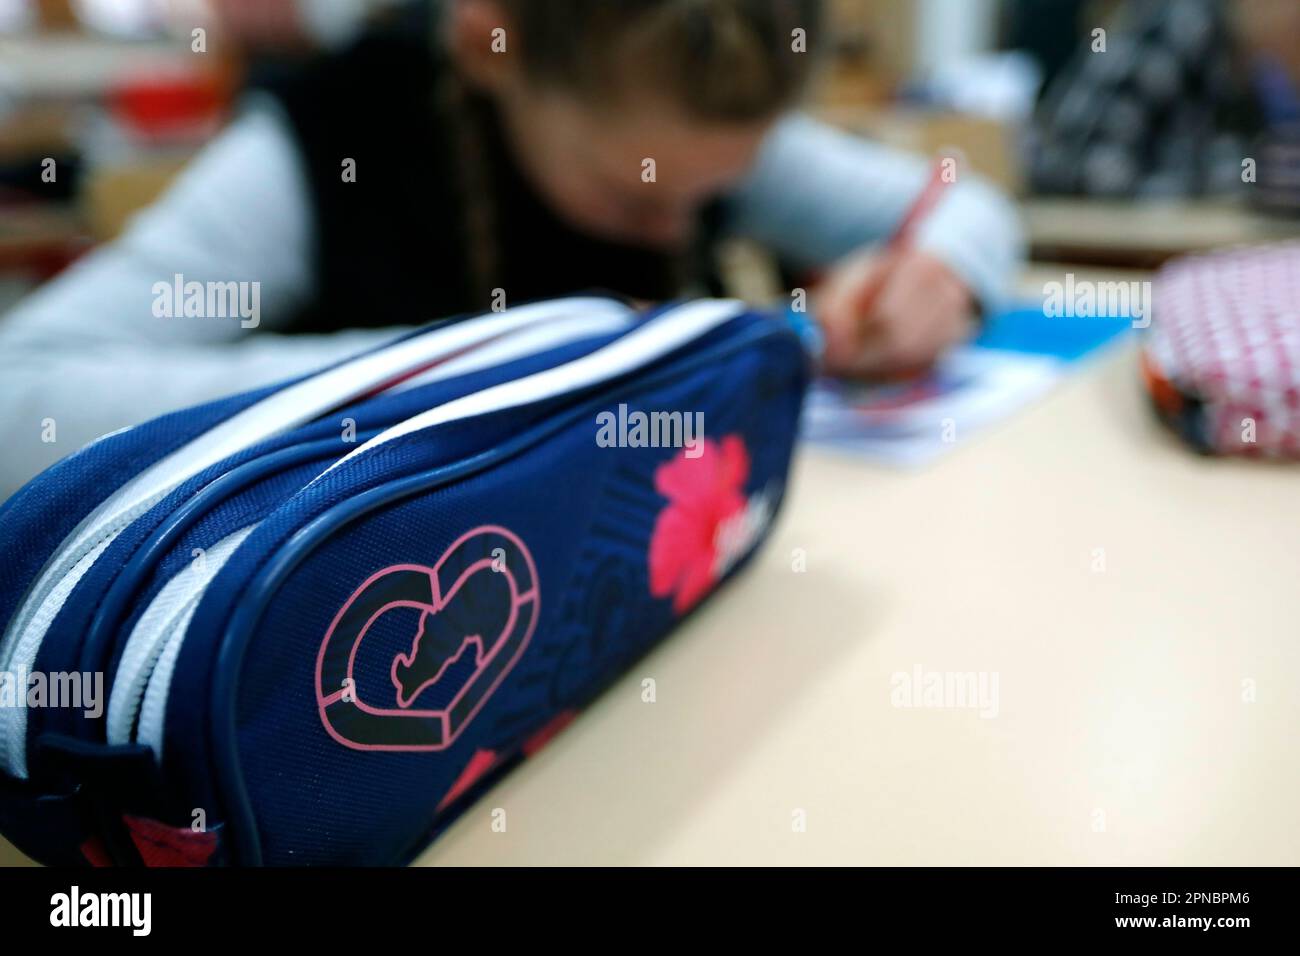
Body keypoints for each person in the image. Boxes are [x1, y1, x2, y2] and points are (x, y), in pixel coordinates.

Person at [0, 0, 1023, 496]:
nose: (682, 226)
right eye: (636, 195)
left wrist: (938, 275)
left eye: (714, 191)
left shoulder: (691, 109)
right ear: (488, 41)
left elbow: (963, 205)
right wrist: (490, 366)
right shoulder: (330, 143)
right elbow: (22, 392)